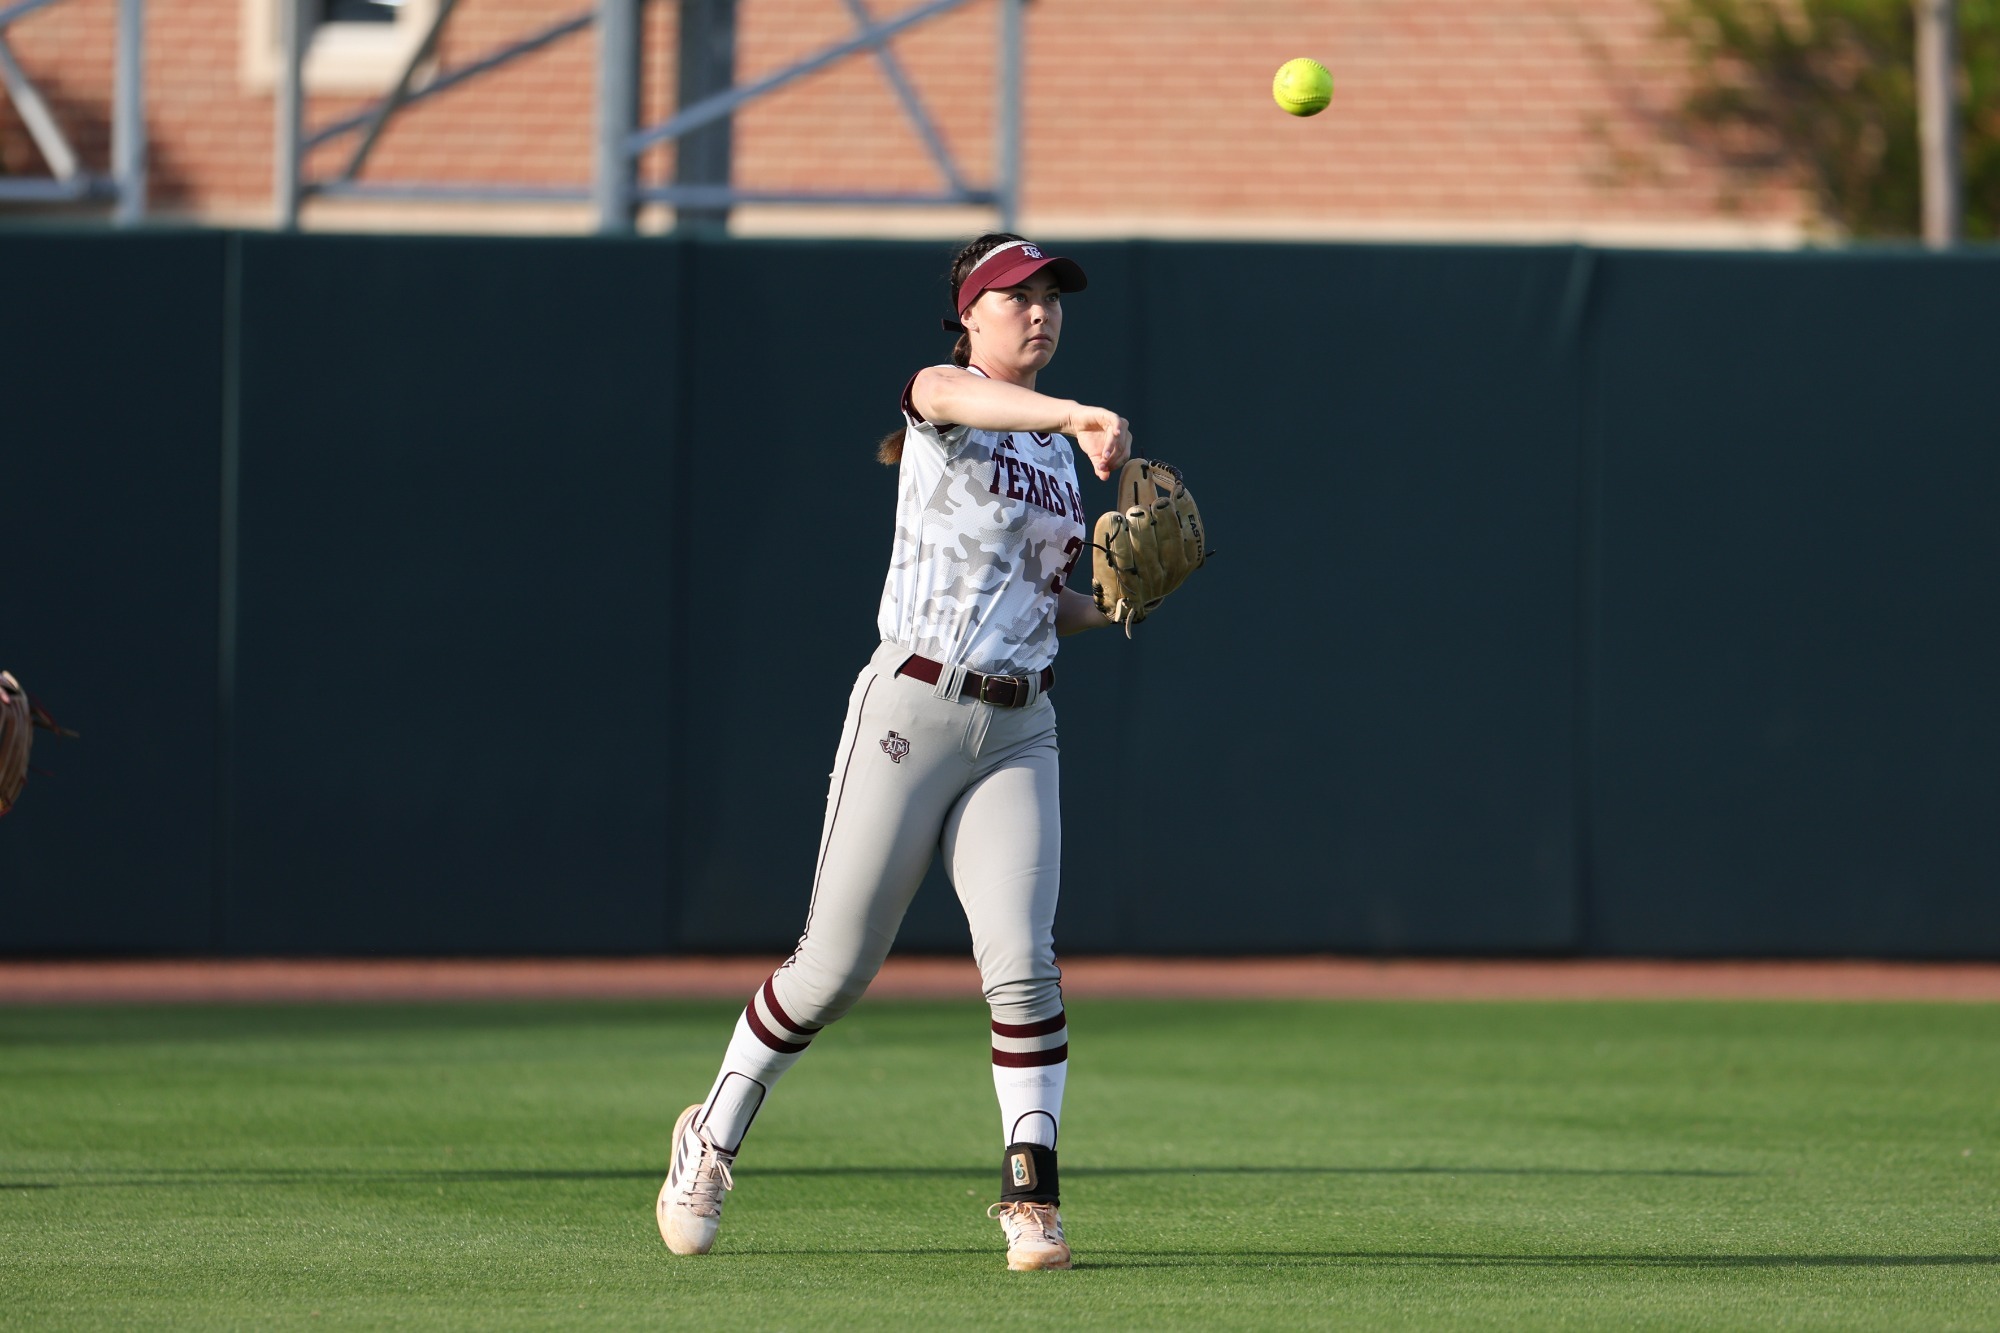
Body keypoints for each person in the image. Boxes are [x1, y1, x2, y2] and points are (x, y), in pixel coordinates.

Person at [656, 233, 1133, 1272]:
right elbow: (947, 397)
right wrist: (1075, 410)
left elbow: (1045, 603)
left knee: (1021, 961)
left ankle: (1032, 1197)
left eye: (1051, 297)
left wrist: (1114, 599)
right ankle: (711, 1135)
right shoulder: (947, 396)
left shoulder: (1057, 459)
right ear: (970, 314)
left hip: (1019, 725)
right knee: (831, 968)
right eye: (1015, 297)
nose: (1039, 312)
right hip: (910, 712)